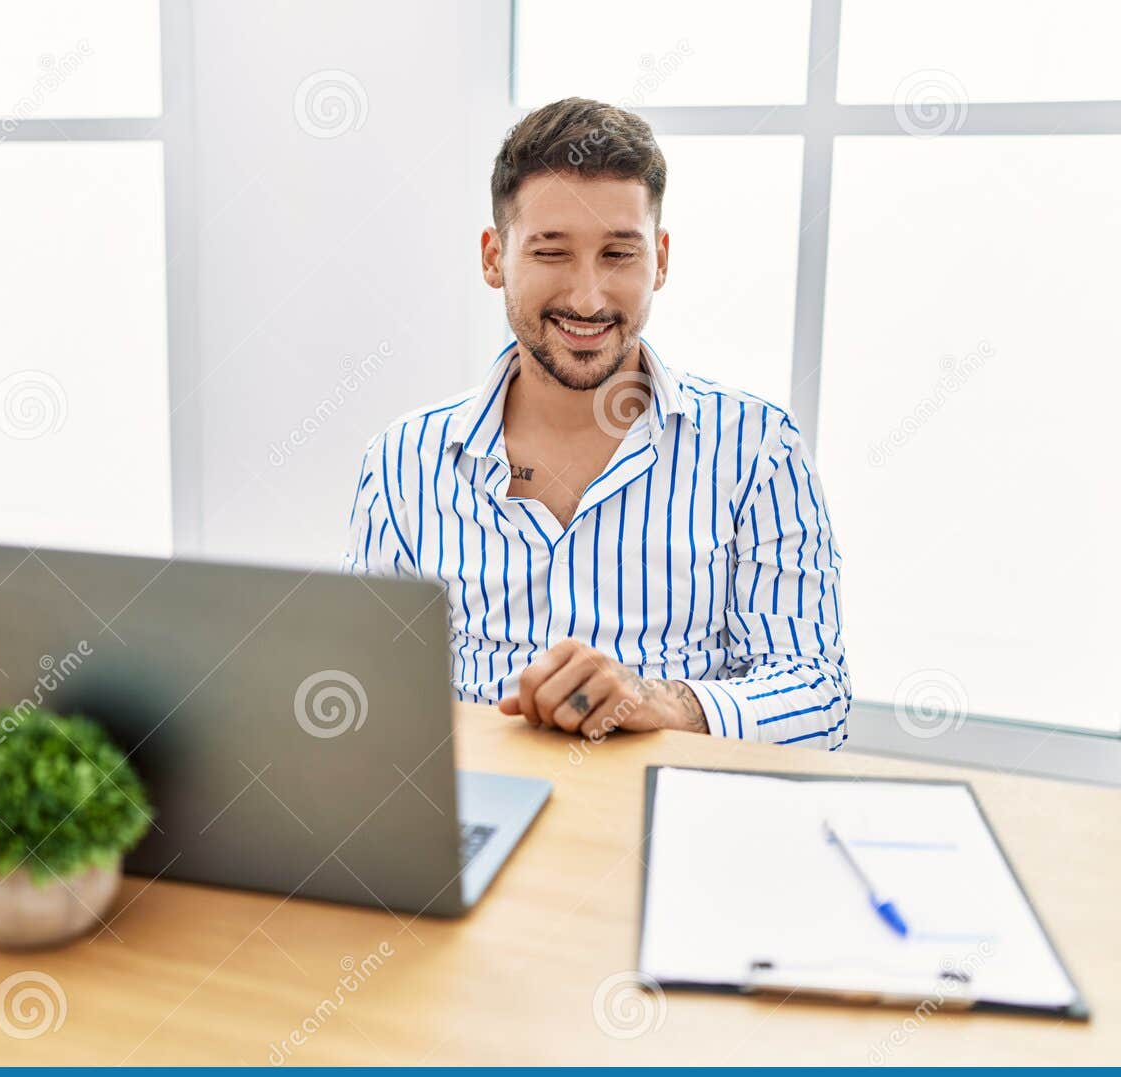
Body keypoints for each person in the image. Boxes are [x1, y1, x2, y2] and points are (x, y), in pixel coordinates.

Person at [344, 97, 850, 747]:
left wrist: (666, 703)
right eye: (551, 253)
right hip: (473, 827)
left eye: (618, 255)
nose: (587, 297)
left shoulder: (758, 449)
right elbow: (365, 693)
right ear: (494, 256)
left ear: (660, 260)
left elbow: (820, 695)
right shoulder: (402, 462)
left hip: (670, 827)